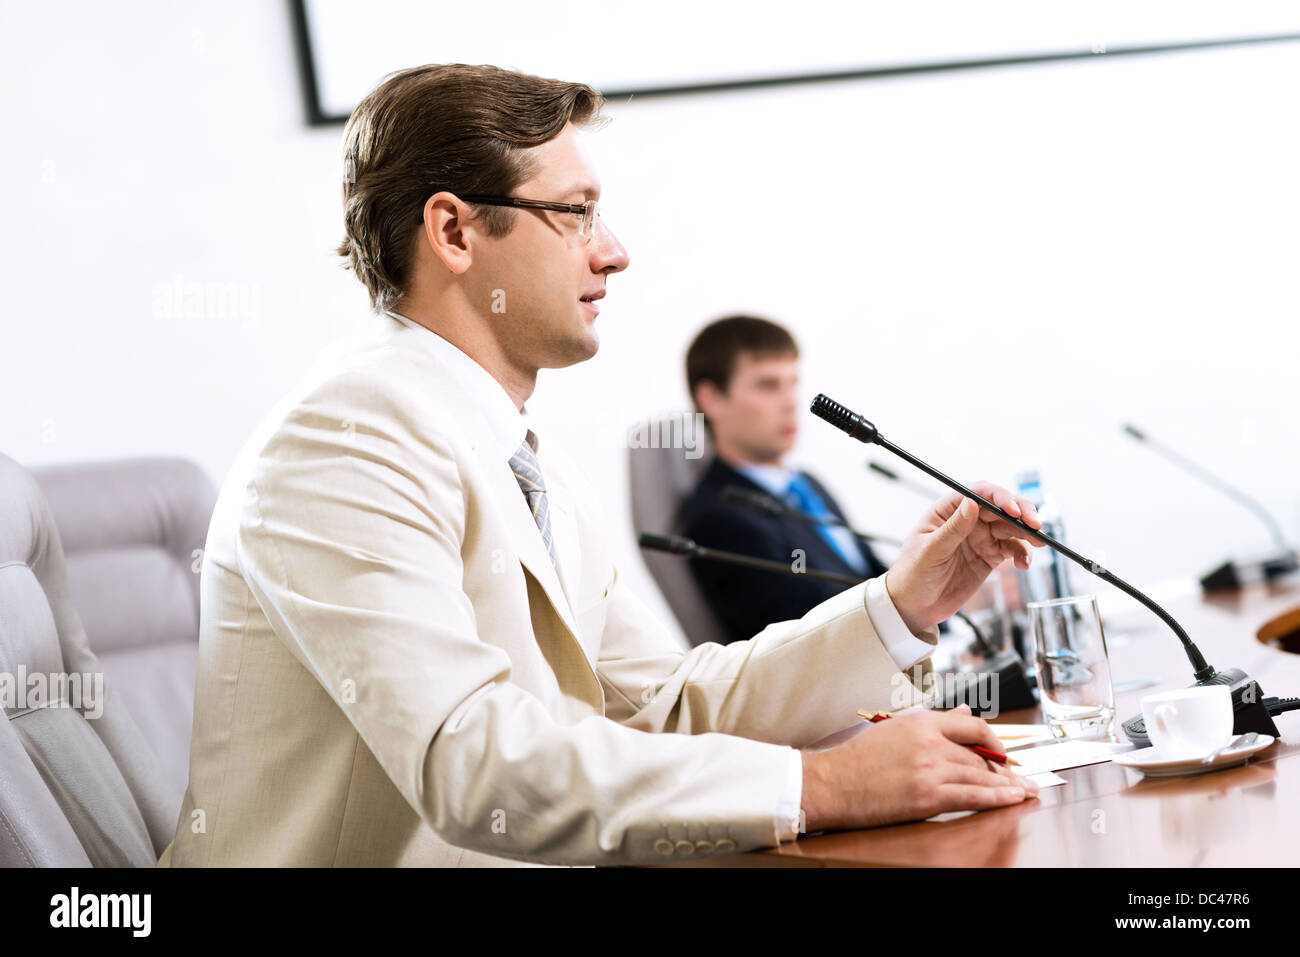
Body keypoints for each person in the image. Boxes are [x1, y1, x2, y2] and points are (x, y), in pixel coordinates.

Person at [162, 64, 1042, 868]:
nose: (612, 248)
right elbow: (469, 758)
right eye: (574, 210)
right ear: (454, 231)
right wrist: (827, 787)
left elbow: (667, 703)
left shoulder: (514, 446)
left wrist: (902, 605)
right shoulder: (344, 444)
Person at [681, 315, 889, 643]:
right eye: (768, 385)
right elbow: (815, 628)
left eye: (793, 383)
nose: (791, 402)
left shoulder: (807, 483)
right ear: (711, 399)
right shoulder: (718, 520)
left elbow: (873, 577)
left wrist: (951, 604)